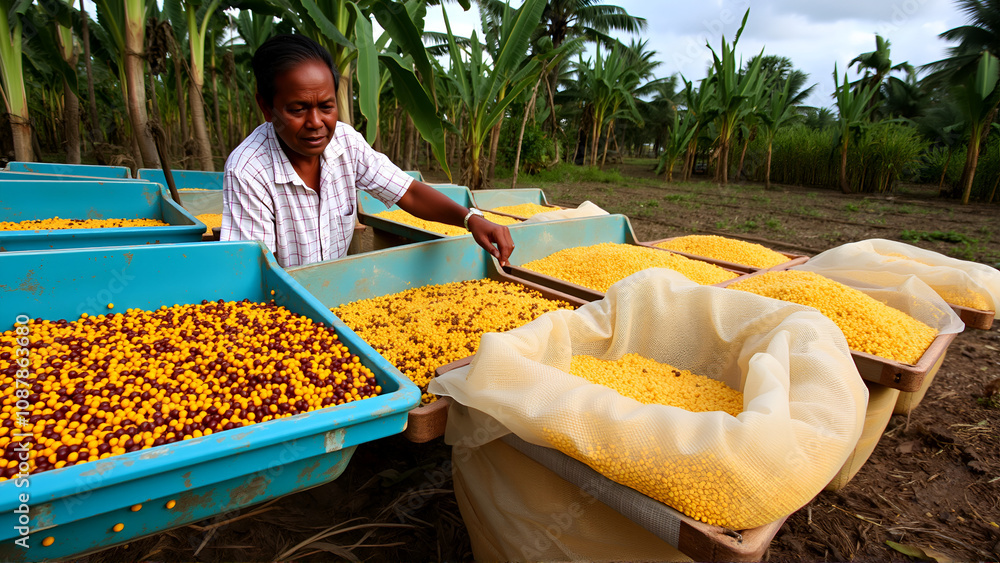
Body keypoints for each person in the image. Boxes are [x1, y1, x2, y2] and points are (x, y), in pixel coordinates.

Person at [221, 34, 514, 269]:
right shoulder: (248, 170)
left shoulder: (346, 143)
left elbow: (409, 192)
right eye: (297, 109)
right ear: (266, 107)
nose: (315, 123)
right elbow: (254, 271)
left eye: (326, 107)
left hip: (338, 295)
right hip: (285, 312)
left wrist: (471, 219)